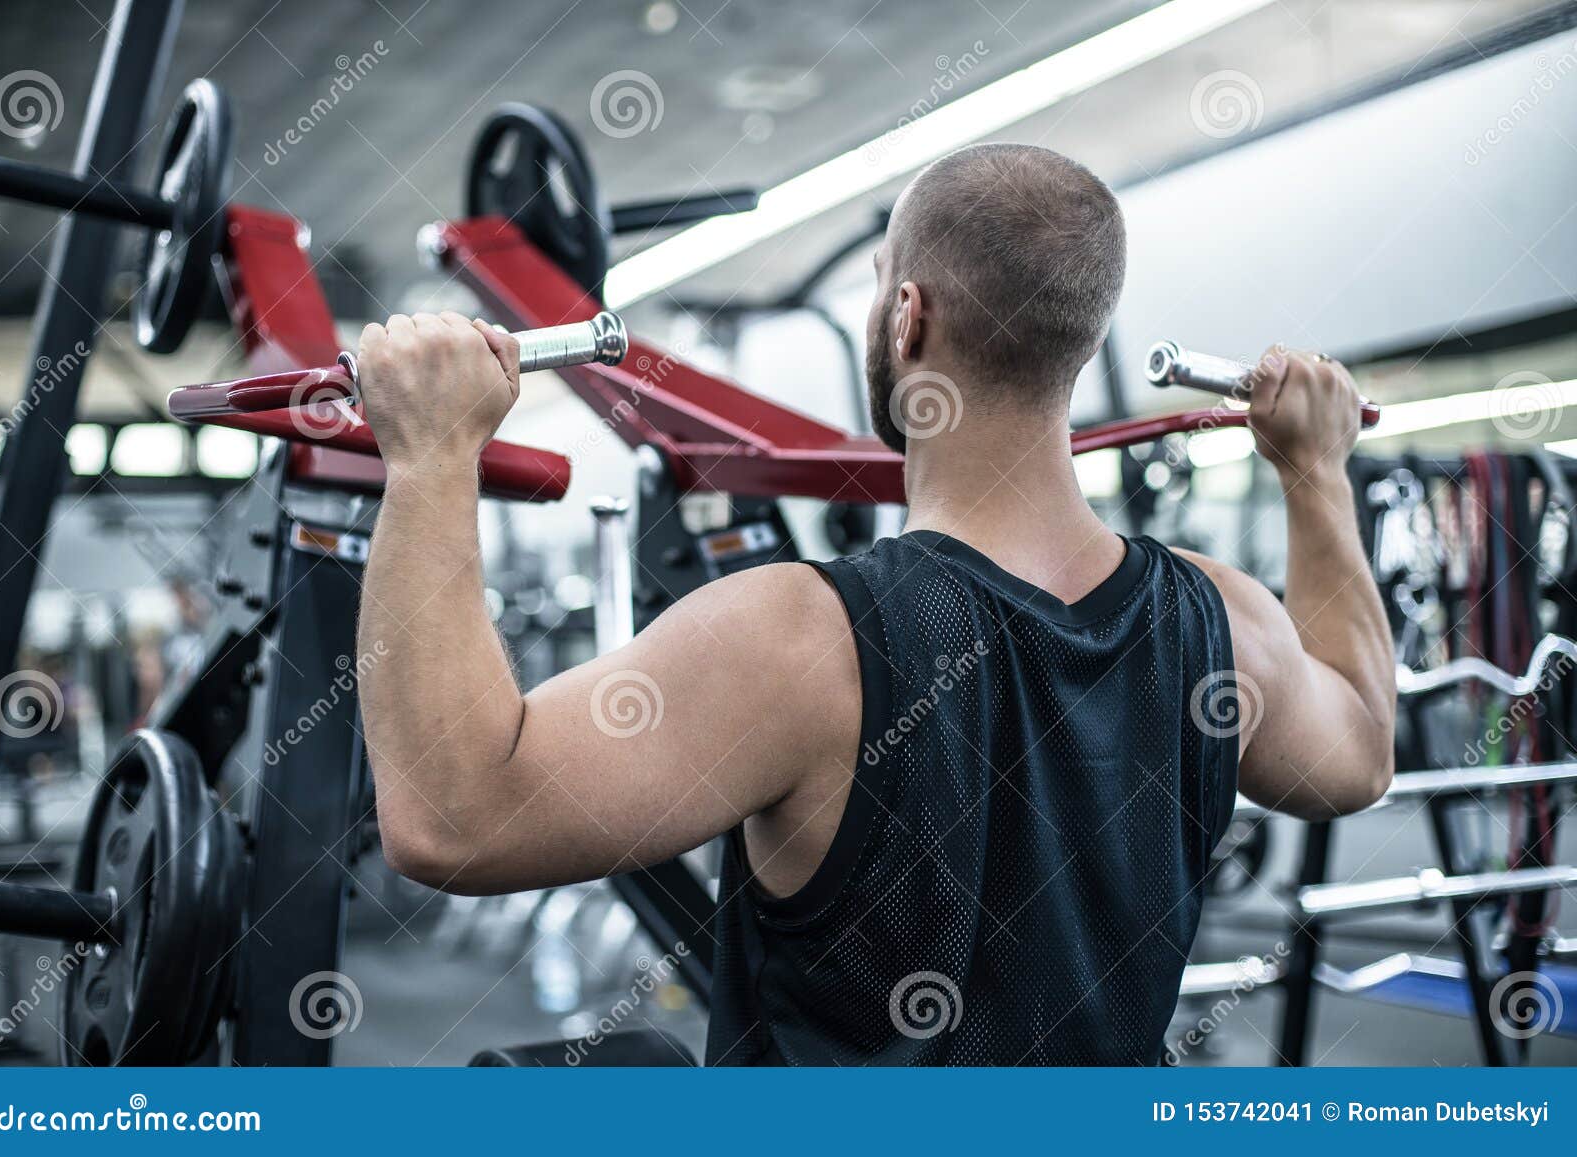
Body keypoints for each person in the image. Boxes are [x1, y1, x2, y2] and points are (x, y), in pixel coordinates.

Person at [353, 143, 1395, 1065]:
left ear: (908, 316)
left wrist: (433, 454)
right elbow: (1358, 749)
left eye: (881, 285)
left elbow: (455, 817)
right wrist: (1315, 471)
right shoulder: (1221, 620)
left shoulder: (802, 640)